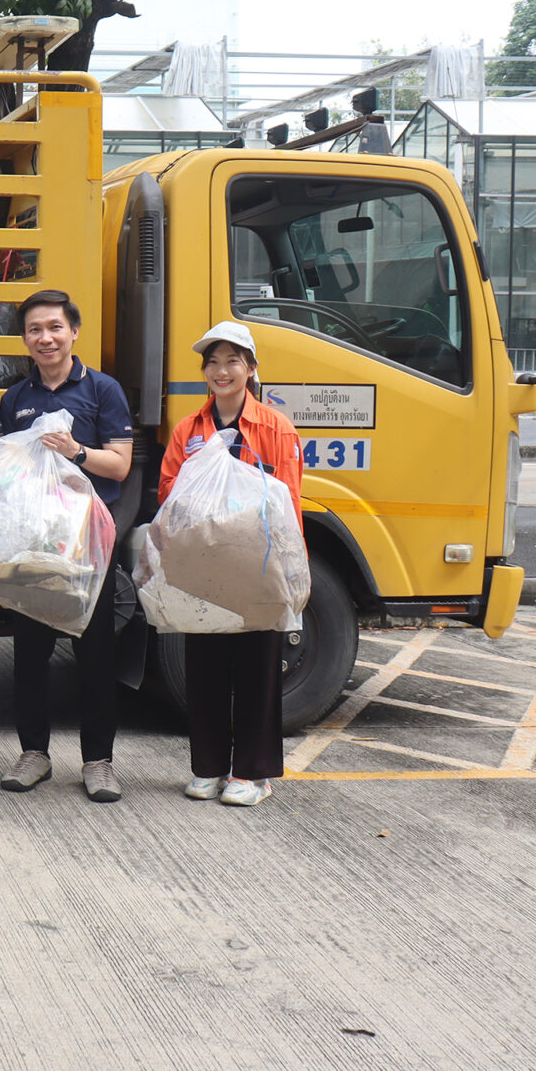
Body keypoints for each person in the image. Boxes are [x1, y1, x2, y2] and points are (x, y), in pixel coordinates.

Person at [0, 288, 135, 803]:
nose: (45, 338)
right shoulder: (15, 398)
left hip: (87, 539)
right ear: (25, 339)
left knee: (94, 653)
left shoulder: (103, 390)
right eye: (34, 329)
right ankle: (34, 754)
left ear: (74, 331)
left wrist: (76, 451)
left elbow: (119, 465)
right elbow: (6, 464)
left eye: (55, 327)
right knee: (29, 651)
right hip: (32, 538)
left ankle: (99, 762)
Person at [157, 321, 304, 808]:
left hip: (259, 565)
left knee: (258, 668)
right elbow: (169, 492)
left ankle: (253, 773)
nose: (222, 371)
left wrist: (288, 569)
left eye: (232, 362)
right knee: (206, 668)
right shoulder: (189, 430)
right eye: (213, 362)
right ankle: (209, 767)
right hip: (205, 566)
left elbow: (287, 501)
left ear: (251, 369)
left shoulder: (275, 428)